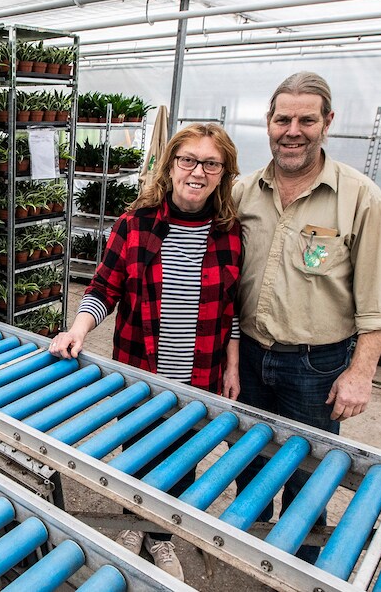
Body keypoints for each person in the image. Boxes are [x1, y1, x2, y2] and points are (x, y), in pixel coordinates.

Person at [48, 122, 243, 580]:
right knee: (137, 452)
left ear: (223, 173)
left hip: (200, 378)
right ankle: (134, 528)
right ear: (171, 165)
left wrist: (232, 366)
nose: (197, 171)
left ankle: (161, 538)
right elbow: (103, 288)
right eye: (188, 160)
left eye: (210, 163)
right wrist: (79, 328)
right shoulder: (135, 224)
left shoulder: (230, 232)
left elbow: (233, 307)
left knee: (182, 462)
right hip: (140, 372)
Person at [232, 71, 381, 561]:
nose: (293, 130)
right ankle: (250, 546)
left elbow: (380, 301)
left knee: (310, 472)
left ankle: (299, 565)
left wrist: (361, 373)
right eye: (283, 118)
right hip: (248, 355)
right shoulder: (244, 192)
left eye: (307, 119)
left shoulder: (360, 198)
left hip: (316, 365)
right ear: (268, 122)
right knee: (250, 459)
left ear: (328, 122)